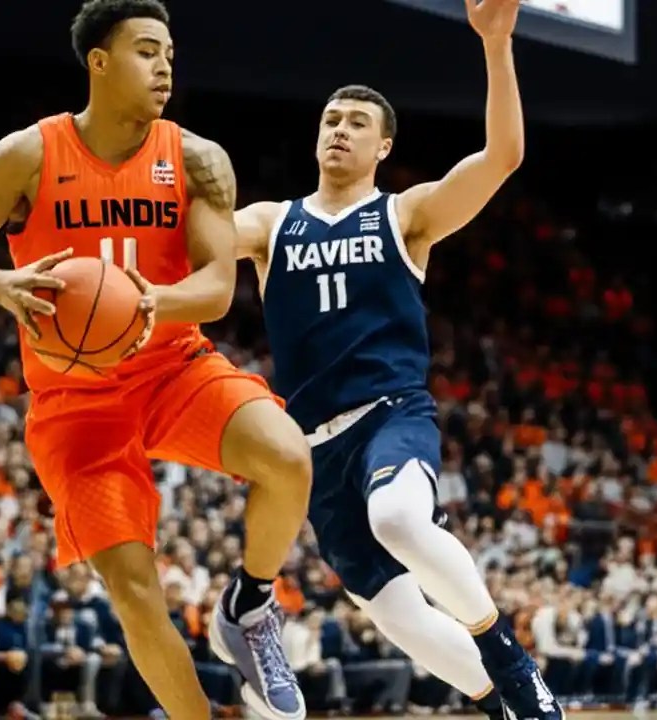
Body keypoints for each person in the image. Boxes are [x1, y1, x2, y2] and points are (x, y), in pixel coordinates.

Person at [0, 2, 311, 718]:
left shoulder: (197, 159)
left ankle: (250, 607)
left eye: (169, 53)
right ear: (98, 61)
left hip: (171, 368)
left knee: (288, 457)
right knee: (135, 592)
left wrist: (153, 304)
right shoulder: (28, 155)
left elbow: (217, 289)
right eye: (146, 51)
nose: (164, 67)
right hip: (76, 401)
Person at [232, 1, 559, 717]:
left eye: (356, 123)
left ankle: (512, 664)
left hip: (390, 414)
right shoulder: (269, 223)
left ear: (383, 147)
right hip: (313, 451)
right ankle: (498, 703)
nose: (338, 131)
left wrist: (497, 46)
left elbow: (502, 157)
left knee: (402, 522)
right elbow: (192, 249)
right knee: (395, 615)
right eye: (330, 120)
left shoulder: (404, 215)